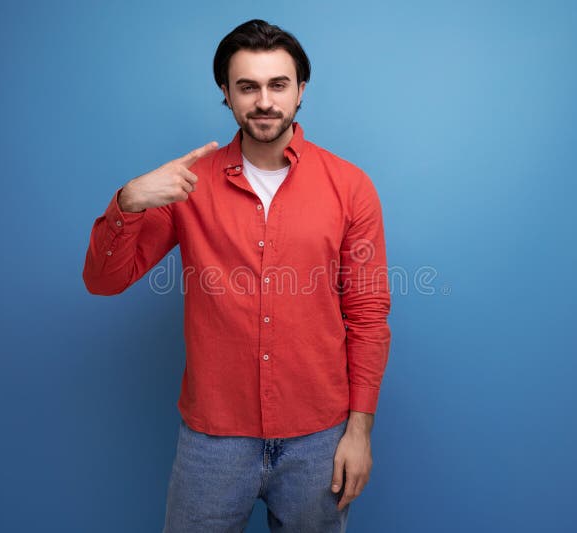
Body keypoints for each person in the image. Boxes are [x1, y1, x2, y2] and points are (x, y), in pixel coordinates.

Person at [82, 19, 391, 532]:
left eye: (278, 85)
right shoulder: (186, 186)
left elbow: (367, 315)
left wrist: (359, 432)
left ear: (300, 91)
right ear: (225, 93)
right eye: (247, 86)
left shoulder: (350, 187)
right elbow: (104, 280)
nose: (264, 101)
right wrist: (129, 202)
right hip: (213, 440)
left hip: (318, 439)